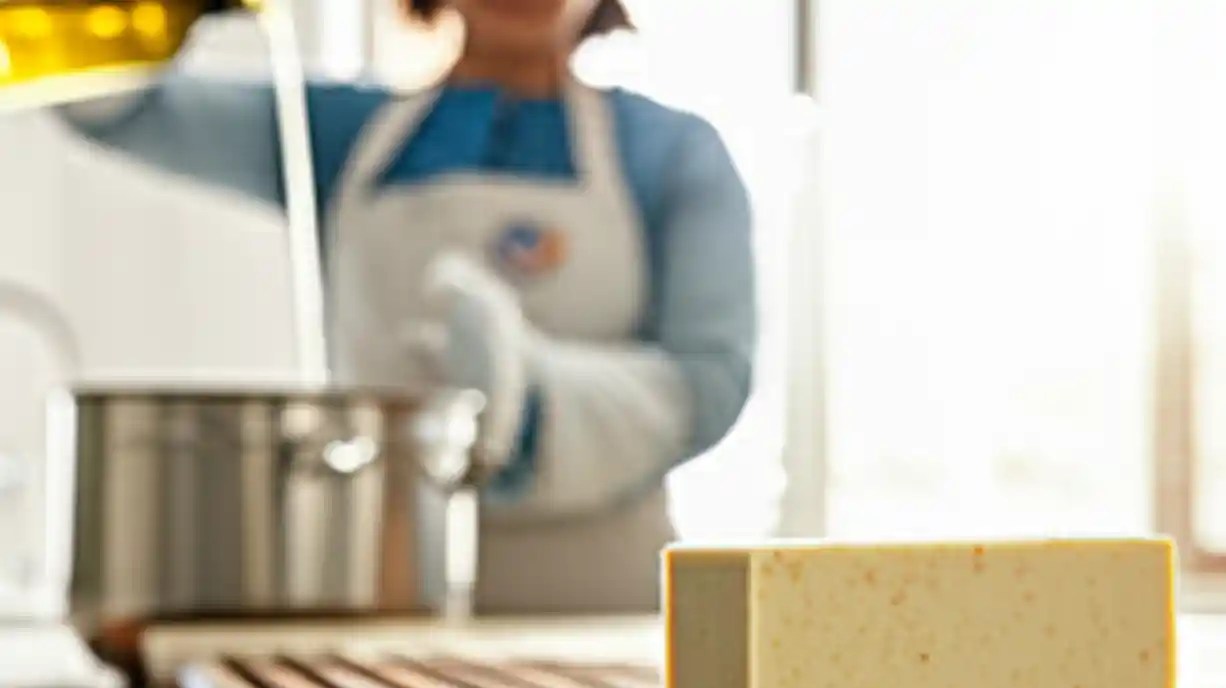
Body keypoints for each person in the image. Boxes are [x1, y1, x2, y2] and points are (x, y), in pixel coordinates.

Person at [62, 0, 755, 613]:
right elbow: (106, 105)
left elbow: (709, 382)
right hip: (375, 595)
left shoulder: (675, 153)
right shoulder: (338, 133)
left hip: (602, 608)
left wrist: (524, 395)